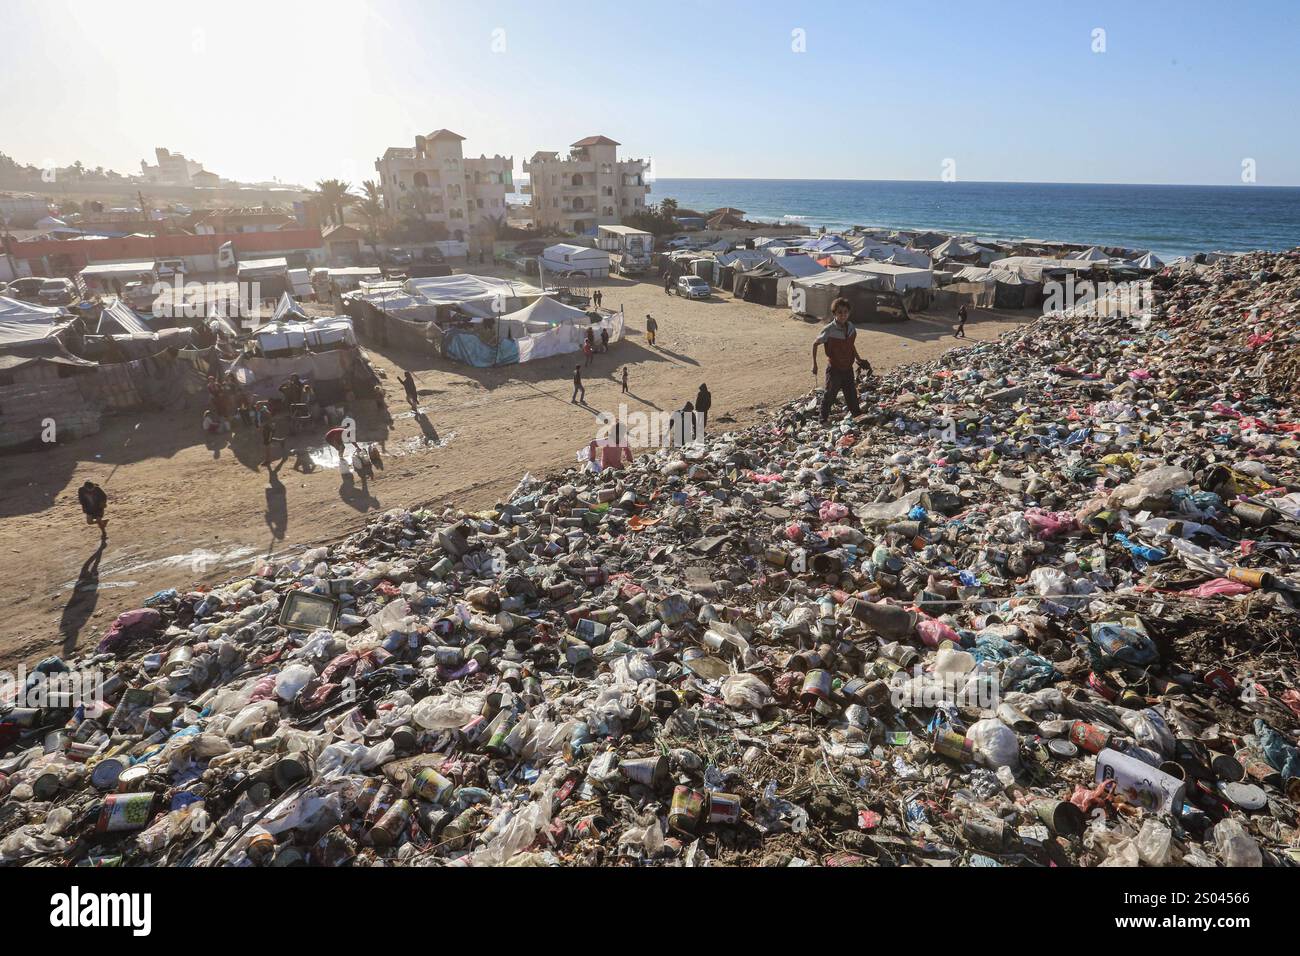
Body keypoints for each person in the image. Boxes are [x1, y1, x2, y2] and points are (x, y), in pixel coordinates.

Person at [811, 296, 870, 423]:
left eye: (845, 312)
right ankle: (823, 419)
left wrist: (858, 359)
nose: (843, 315)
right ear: (834, 314)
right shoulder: (829, 330)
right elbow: (815, 344)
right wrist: (814, 365)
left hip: (848, 368)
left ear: (849, 313)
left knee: (851, 394)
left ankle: (857, 416)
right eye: (839, 312)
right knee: (830, 395)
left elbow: (851, 345)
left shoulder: (851, 327)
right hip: (835, 369)